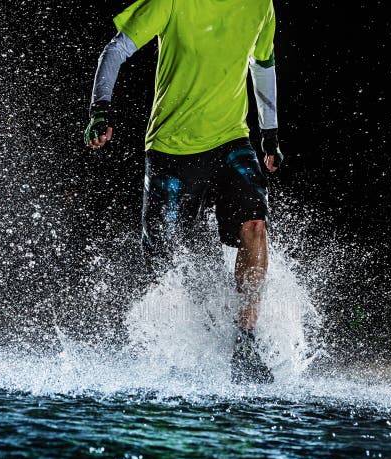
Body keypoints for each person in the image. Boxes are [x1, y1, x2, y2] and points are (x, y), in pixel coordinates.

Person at [85, 0, 283, 384]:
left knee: (255, 225)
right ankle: (181, 341)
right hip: (171, 149)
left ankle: (245, 340)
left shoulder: (261, 5)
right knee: (163, 259)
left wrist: (270, 134)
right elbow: (115, 51)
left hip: (232, 140)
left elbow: (263, 62)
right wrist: (100, 110)